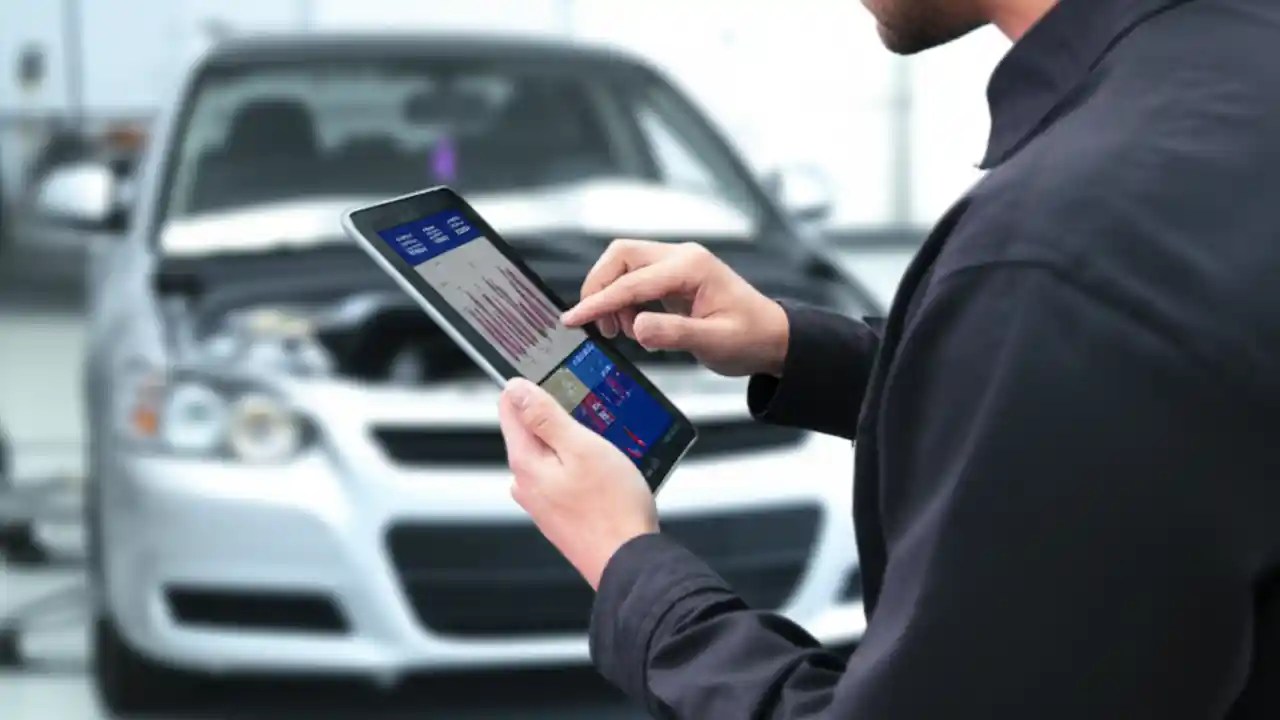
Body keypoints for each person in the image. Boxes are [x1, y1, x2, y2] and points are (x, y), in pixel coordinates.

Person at [495, 0, 1280, 715]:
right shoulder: (1237, 75)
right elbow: (1154, 391)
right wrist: (794, 345)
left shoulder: (1049, 251)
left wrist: (630, 565)